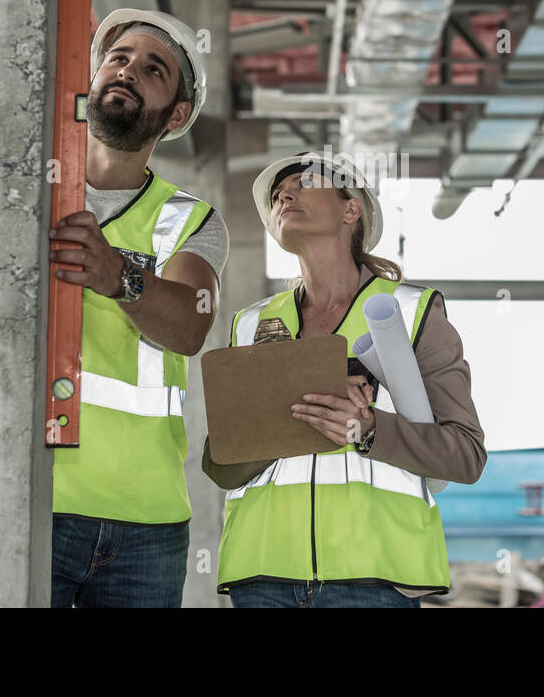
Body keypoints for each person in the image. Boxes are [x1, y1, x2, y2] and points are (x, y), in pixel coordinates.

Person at [202, 150, 485, 607]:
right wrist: (290, 411)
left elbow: (466, 456)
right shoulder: (251, 323)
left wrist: (370, 429)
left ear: (351, 208)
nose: (284, 195)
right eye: (277, 194)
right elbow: (220, 465)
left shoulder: (411, 312)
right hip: (262, 572)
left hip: (376, 573)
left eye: (303, 183)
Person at [49, 8, 228, 608]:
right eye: (118, 58)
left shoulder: (191, 220)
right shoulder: (32, 183)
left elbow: (188, 325)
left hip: (146, 524)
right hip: (34, 496)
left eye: (153, 70)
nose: (127, 71)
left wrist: (116, 275)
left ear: (175, 115)